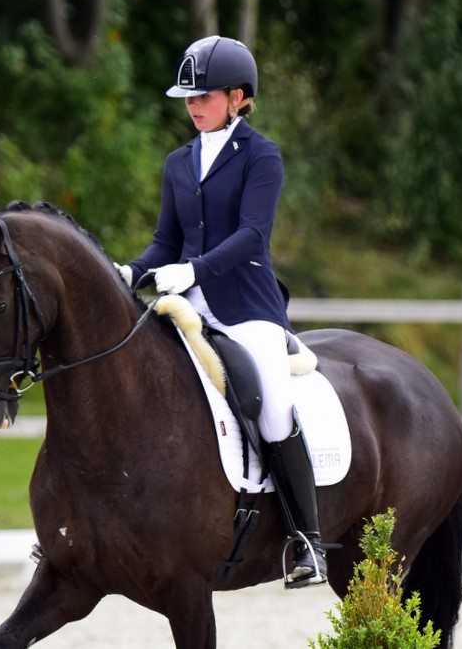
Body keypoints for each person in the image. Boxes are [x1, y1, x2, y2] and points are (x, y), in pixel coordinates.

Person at [117, 35, 327, 588]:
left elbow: (253, 236)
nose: (192, 106)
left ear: (237, 96)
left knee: (274, 405)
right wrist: (129, 272)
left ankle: (306, 541)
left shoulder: (262, 157)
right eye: (187, 98)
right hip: (184, 305)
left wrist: (195, 271)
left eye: (203, 97)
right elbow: (166, 241)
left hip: (245, 306)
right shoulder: (178, 162)